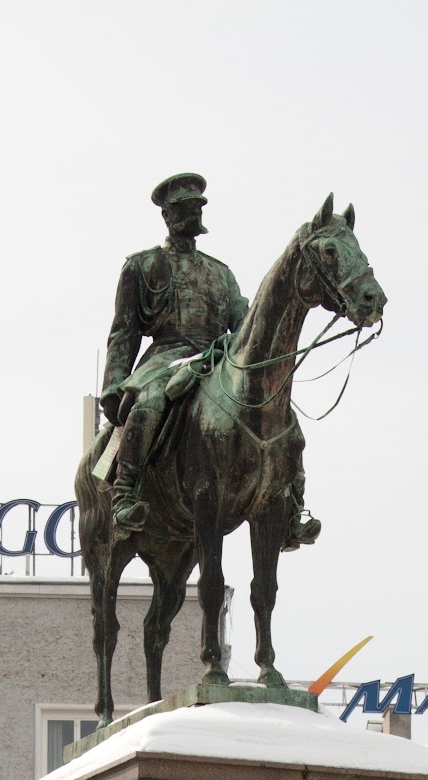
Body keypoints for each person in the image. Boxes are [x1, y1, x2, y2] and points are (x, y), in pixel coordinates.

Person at [101, 172, 248, 532]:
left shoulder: (221, 273)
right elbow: (125, 331)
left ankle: (289, 502)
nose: (195, 213)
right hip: (168, 356)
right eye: (186, 207)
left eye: (198, 206)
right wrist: (113, 385)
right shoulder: (142, 265)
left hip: (217, 358)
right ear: (168, 215)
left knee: (272, 410)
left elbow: (243, 325)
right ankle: (124, 493)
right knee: (149, 404)